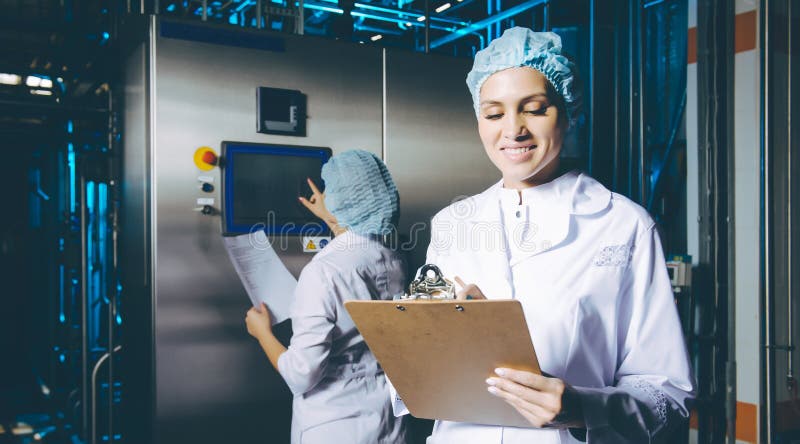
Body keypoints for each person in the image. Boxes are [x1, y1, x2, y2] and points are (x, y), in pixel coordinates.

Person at [389, 27, 695, 443]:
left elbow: (668, 394)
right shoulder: (452, 223)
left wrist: (582, 408)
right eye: (494, 114)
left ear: (568, 112)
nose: (513, 130)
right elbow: (420, 369)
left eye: (534, 109)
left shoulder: (623, 226)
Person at [245, 149, 408, 444]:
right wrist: (331, 216)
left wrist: (262, 334)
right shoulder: (393, 260)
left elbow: (301, 375)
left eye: (331, 190)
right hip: (386, 420)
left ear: (340, 201)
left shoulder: (324, 271)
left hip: (334, 427)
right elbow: (354, 237)